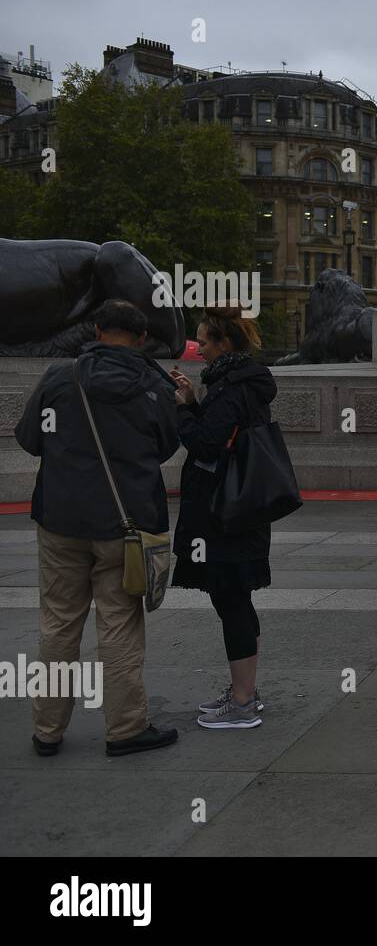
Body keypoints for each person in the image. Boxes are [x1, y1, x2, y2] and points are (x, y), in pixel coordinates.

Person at [16, 301, 181, 757]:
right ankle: (125, 728)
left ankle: (47, 730)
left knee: (58, 625)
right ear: (143, 335)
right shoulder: (154, 383)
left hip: (61, 520)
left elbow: (30, 439)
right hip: (126, 526)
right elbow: (167, 444)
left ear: (95, 329)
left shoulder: (58, 377)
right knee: (120, 625)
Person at [170, 304, 276, 730]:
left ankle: (244, 701)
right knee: (236, 599)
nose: (199, 349)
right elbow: (221, 438)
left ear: (224, 342)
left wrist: (182, 410)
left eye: (203, 341)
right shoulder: (242, 384)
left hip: (225, 516)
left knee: (230, 600)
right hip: (241, 511)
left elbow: (207, 444)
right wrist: (196, 402)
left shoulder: (230, 389)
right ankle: (242, 691)